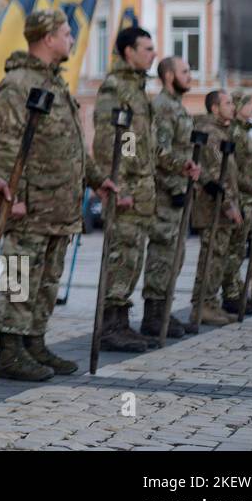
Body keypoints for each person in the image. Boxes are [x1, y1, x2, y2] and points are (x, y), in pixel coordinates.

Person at [0, 9, 115, 380]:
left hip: (59, 205)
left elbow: (73, 145)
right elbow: (5, 144)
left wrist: (95, 179)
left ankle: (34, 342)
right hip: (32, 204)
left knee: (46, 280)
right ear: (47, 38)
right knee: (21, 276)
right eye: (66, 32)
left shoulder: (57, 83)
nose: (72, 39)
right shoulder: (18, 83)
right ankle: (10, 351)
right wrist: (15, 197)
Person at [91, 26, 182, 352]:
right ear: (128, 51)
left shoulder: (139, 91)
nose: (153, 54)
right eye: (146, 48)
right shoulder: (116, 88)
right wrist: (120, 186)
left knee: (133, 258)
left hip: (144, 192)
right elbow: (107, 143)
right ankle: (109, 327)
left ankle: (122, 324)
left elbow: (143, 145)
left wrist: (177, 165)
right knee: (121, 256)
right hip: (127, 192)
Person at [143, 57, 201, 340]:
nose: (190, 76)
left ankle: (163, 312)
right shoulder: (163, 107)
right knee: (163, 254)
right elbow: (159, 153)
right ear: (168, 76)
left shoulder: (177, 107)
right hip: (167, 193)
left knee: (175, 256)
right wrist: (180, 173)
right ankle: (153, 317)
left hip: (180, 190)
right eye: (185, 71)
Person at [189, 91, 243, 326]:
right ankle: (203, 306)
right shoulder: (211, 133)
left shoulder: (222, 132)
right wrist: (229, 205)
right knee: (211, 258)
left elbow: (230, 175)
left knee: (218, 258)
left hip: (221, 208)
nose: (233, 107)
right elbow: (213, 174)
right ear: (214, 108)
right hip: (213, 208)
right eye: (228, 103)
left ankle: (211, 304)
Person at [221, 91, 252, 316]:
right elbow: (234, 170)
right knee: (234, 250)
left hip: (249, 197)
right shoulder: (235, 133)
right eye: (249, 105)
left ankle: (237, 291)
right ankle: (230, 294)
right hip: (240, 197)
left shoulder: (244, 133)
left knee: (239, 250)